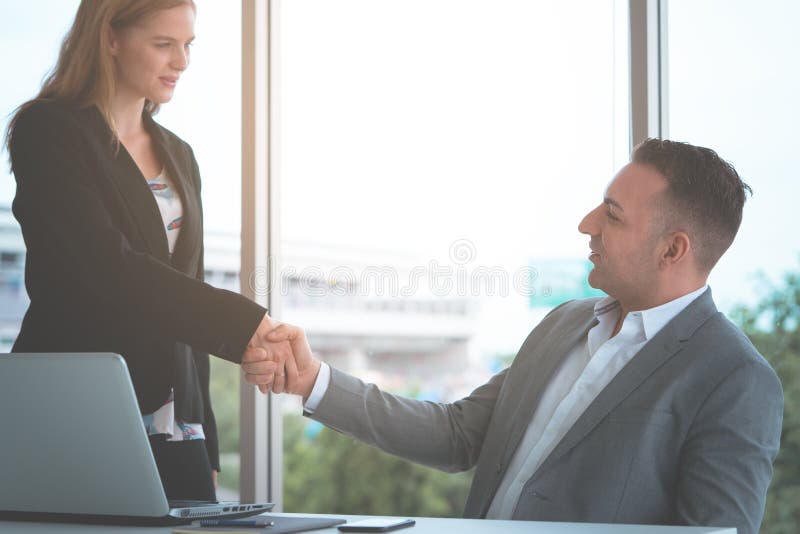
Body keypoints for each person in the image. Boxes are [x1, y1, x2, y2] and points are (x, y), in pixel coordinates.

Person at [243, 139, 784, 534]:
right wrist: (314, 382)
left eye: (612, 216)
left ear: (673, 250)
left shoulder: (735, 379)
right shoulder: (565, 323)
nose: (586, 224)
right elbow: (457, 435)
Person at [5, 0, 290, 501]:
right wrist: (246, 325)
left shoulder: (179, 154)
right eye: (164, 44)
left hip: (175, 419)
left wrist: (209, 442)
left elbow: (186, 292)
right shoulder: (48, 131)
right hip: (77, 403)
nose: (181, 62)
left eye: (187, 45)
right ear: (110, 39)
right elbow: (105, 266)